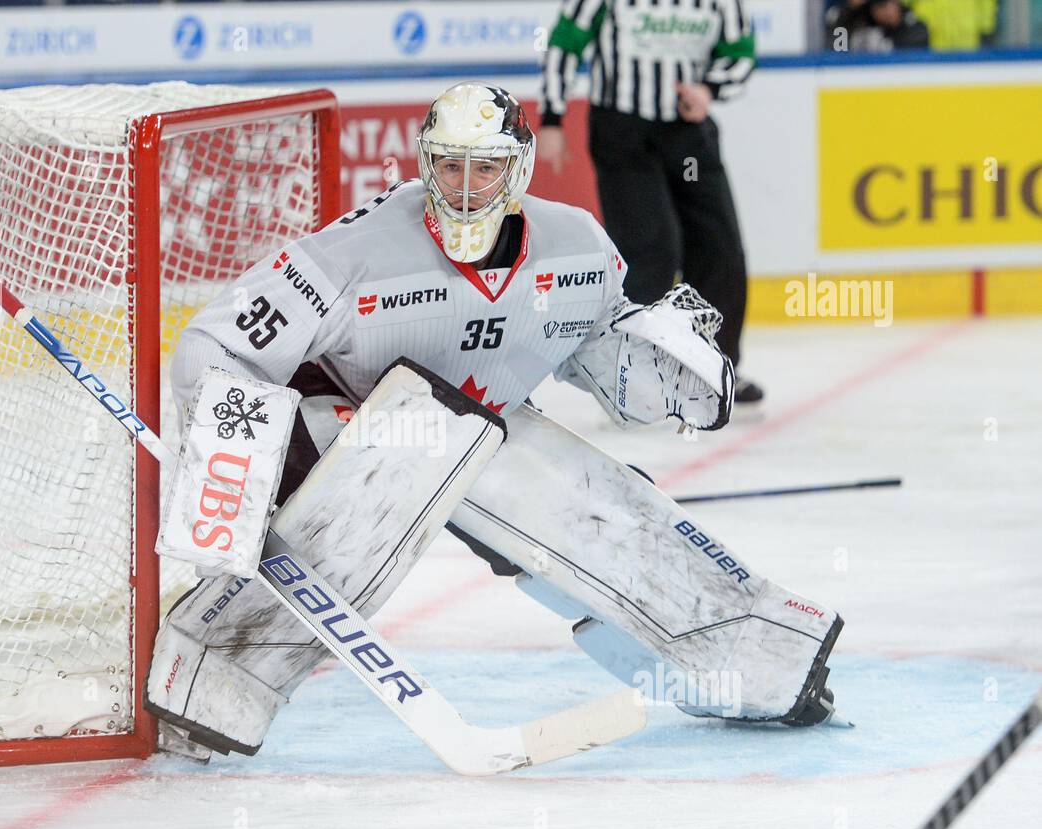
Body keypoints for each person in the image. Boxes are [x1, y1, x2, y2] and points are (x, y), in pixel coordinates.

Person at [146, 83, 843, 762]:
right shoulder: (353, 254)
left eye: (486, 167)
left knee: (606, 510)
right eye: (450, 165)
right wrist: (239, 472)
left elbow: (598, 340)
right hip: (343, 435)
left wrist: (652, 362)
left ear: (520, 168)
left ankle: (757, 662)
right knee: (399, 460)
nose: (466, 187)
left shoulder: (577, 247)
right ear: (426, 164)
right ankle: (210, 673)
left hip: (484, 430)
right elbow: (214, 346)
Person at [538, 0, 763, 403]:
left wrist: (708, 88)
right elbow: (565, 43)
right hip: (623, 131)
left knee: (719, 246)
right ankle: (636, 374)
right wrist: (552, 118)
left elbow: (740, 52)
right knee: (650, 247)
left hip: (688, 133)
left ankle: (715, 365)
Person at [828, 0, 931, 50]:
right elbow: (836, 49)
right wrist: (852, 10)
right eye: (878, 5)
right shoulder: (859, 18)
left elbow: (910, 58)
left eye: (888, 3)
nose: (885, 11)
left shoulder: (912, 23)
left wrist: (895, 24)